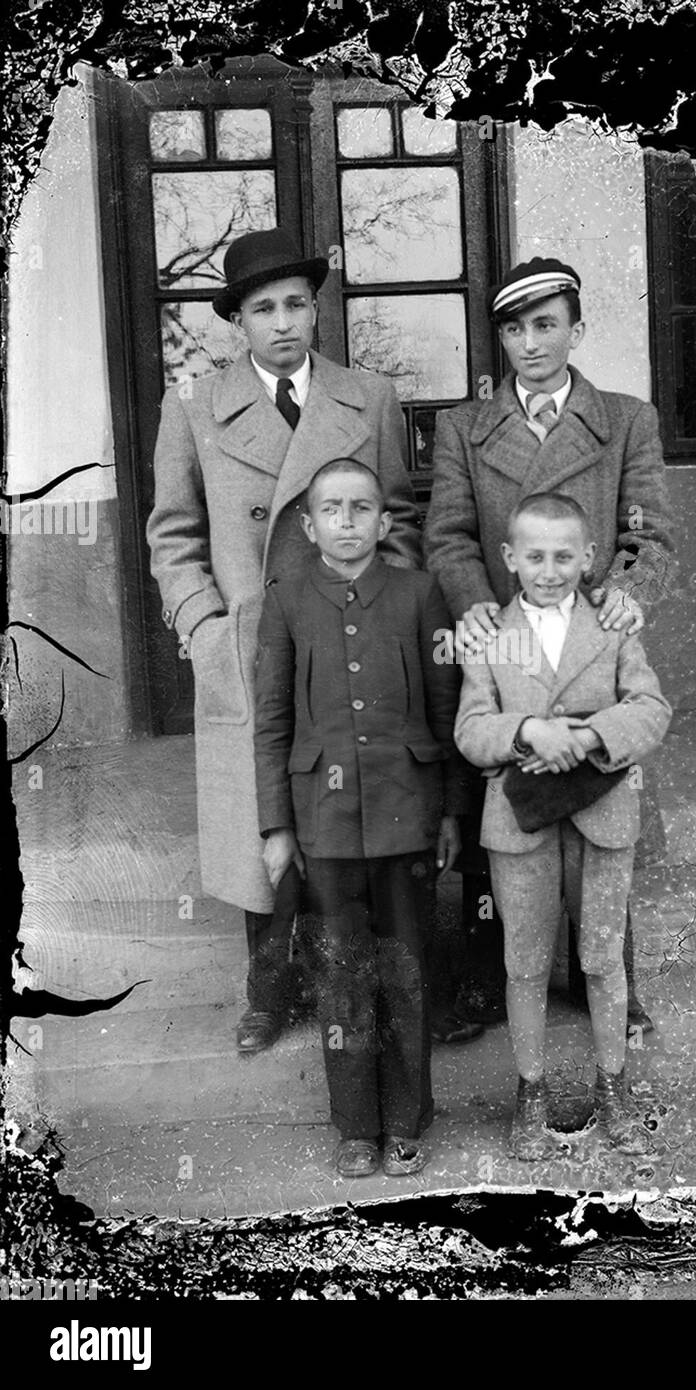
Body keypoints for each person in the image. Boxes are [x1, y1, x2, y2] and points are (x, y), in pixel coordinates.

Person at [146, 227, 422, 1056]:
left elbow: (397, 519)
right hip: (254, 644)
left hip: (348, 638)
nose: (282, 323)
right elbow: (172, 534)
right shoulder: (194, 403)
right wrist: (204, 625)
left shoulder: (366, 396)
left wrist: (390, 622)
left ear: (315, 309)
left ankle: (377, 984)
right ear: (238, 322)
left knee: (346, 809)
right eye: (262, 308)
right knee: (259, 814)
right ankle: (267, 987)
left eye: (296, 303)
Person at [424, 257, 675, 1034]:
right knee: (496, 801)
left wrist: (627, 592)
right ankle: (483, 977)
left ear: (575, 330)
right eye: (513, 328)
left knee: (599, 800)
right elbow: (450, 535)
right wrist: (474, 608)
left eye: (545, 324)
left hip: (589, 634)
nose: (529, 344)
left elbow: (649, 532)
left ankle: (610, 980)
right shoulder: (465, 428)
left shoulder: (626, 418)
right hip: (502, 642)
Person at [252, 458, 465, 1178]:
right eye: (332, 510)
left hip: (407, 816)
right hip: (325, 824)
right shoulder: (285, 600)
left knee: (404, 971)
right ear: (309, 527)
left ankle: (405, 1120)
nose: (347, 522)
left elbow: (445, 709)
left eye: (361, 508)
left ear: (384, 521)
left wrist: (450, 813)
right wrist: (277, 826)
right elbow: (272, 722)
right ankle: (354, 1125)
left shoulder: (418, 594)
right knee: (342, 977)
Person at [454, 493, 672, 1159]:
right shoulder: (487, 634)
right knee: (523, 962)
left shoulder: (611, 626)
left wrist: (591, 736)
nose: (548, 571)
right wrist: (527, 730)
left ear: (586, 558)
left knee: (601, 958)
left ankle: (613, 1088)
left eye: (562, 557)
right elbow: (470, 728)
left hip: (601, 813)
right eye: (534, 557)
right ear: (509, 558)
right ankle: (531, 1094)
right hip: (519, 822)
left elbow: (651, 707)